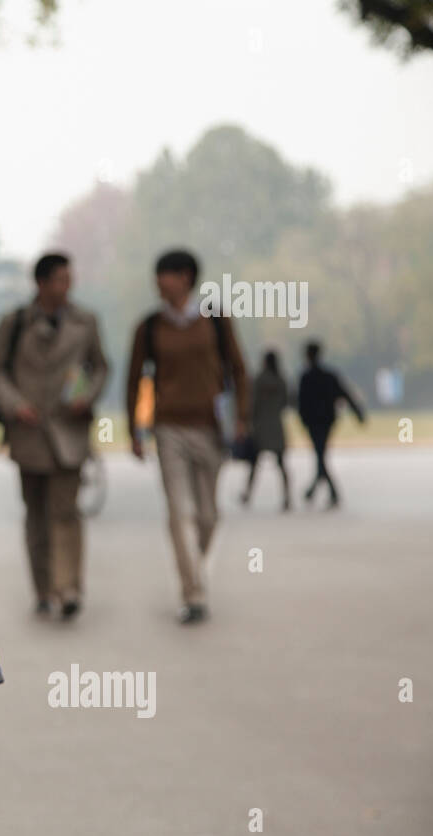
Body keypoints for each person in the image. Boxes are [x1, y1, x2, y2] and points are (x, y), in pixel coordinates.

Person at [125, 250, 248, 625]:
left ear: (186, 278)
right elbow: (134, 380)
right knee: (180, 512)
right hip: (169, 428)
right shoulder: (149, 327)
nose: (159, 282)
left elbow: (239, 369)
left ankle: (194, 568)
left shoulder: (214, 319)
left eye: (166, 275)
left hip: (211, 427)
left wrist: (241, 416)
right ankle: (193, 593)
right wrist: (134, 427)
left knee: (208, 515)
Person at [0, 252, 108, 620]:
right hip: (29, 431)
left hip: (69, 428)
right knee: (36, 514)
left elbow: (99, 366)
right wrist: (14, 404)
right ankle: (43, 590)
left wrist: (88, 396)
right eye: (59, 280)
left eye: (69, 279)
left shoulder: (87, 322)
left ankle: (68, 588)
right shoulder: (16, 322)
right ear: (40, 283)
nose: (66, 287)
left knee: (66, 512)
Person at [297, 340, 365, 508]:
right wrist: (357, 412)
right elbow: (344, 393)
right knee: (321, 455)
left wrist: (303, 419)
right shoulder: (328, 376)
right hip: (326, 421)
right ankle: (318, 490)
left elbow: (300, 402)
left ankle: (323, 491)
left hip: (315, 422)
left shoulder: (307, 377)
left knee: (320, 455)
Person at [241, 350, 292, 510]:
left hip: (261, 426)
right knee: (281, 464)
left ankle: (248, 494)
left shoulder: (258, 380)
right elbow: (286, 402)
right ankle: (286, 496)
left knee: (254, 464)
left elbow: (252, 403)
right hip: (276, 425)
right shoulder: (281, 380)